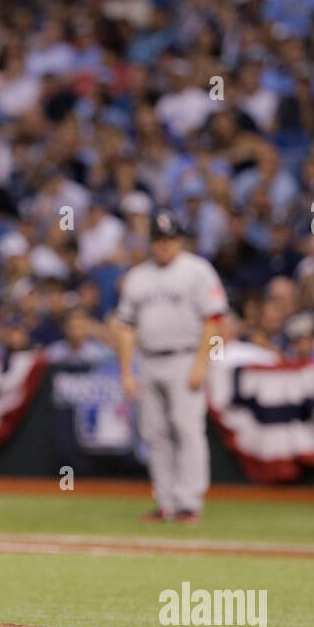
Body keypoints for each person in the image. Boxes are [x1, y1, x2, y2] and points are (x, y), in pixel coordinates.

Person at [110, 211, 228, 523]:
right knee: (155, 434)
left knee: (187, 430)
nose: (164, 246)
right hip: (149, 360)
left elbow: (213, 319)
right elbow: (126, 328)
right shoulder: (138, 276)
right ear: (151, 242)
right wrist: (126, 370)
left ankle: (190, 502)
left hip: (185, 357)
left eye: (170, 239)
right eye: (159, 240)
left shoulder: (197, 271)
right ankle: (166, 502)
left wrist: (202, 362)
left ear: (180, 240)